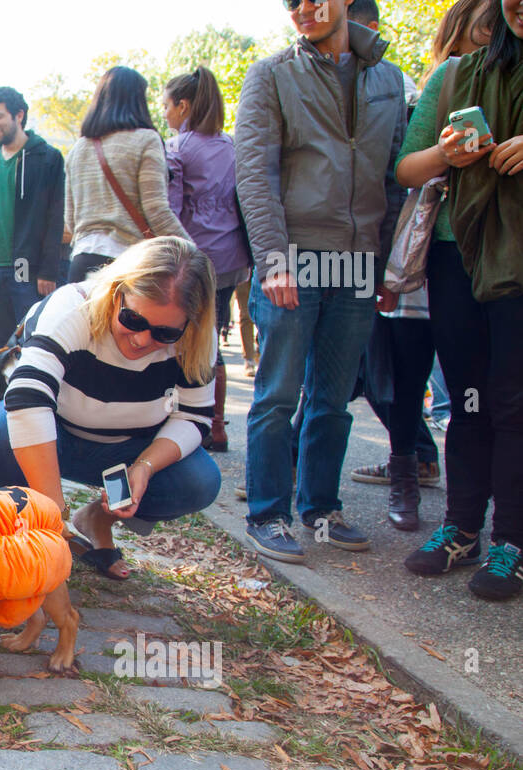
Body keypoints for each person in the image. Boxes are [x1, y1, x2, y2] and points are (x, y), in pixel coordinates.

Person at [235, 0, 406, 564]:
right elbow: (254, 175)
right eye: (291, 2)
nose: (304, 8)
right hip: (295, 256)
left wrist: (385, 263)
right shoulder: (272, 74)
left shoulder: (386, 77)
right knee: (278, 394)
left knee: (333, 400)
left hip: (358, 260)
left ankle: (321, 509)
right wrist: (275, 258)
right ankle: (268, 513)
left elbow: (394, 174)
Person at [0, 237, 221, 581]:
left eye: (164, 333)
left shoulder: (197, 339)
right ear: (115, 292)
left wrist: (145, 468)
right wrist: (53, 513)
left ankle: (97, 519)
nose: (141, 340)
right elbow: (28, 399)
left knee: (198, 481)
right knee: (3, 428)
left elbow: (193, 417)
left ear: (189, 324)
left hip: (122, 450)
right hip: (49, 436)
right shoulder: (74, 306)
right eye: (133, 319)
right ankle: (27, 530)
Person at [349, 0, 495, 528]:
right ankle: (405, 475)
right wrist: (447, 154)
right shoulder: (428, 90)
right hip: (422, 254)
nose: (491, 42)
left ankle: (477, 496)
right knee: (407, 377)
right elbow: (399, 174)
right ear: (459, 34)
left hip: (485, 258)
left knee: (472, 388)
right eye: (483, 31)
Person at [398, 0, 523, 600]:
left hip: (519, 264)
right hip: (457, 257)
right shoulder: (455, 76)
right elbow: (405, 167)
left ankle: (513, 543)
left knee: (515, 403)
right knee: (468, 400)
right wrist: (449, 155)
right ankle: (462, 528)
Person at [162, 66, 250, 454]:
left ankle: (184, 421)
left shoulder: (178, 148)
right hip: (230, 258)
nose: (164, 113)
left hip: (193, 258)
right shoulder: (231, 145)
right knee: (212, 338)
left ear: (182, 106)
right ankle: (217, 425)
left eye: (166, 105)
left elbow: (173, 207)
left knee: (183, 337)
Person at [64, 66, 190, 284]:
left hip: (81, 265)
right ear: (137, 101)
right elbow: (156, 210)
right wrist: (191, 250)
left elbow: (70, 220)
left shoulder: (78, 149)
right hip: (126, 266)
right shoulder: (145, 139)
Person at [0, 86, 65, 348]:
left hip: (25, 267)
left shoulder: (47, 158)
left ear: (19, 115)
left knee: (29, 342)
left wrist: (48, 270)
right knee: (1, 345)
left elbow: (55, 219)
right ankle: (0, 391)